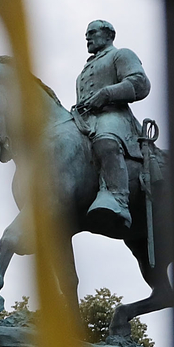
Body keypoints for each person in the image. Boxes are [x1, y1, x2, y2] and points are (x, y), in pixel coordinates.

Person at [74, 19, 149, 232]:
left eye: (92, 32)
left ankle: (118, 198)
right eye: (86, 34)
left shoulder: (121, 54)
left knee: (105, 140)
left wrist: (107, 94)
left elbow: (140, 83)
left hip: (114, 117)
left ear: (109, 35)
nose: (87, 37)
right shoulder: (84, 71)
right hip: (87, 120)